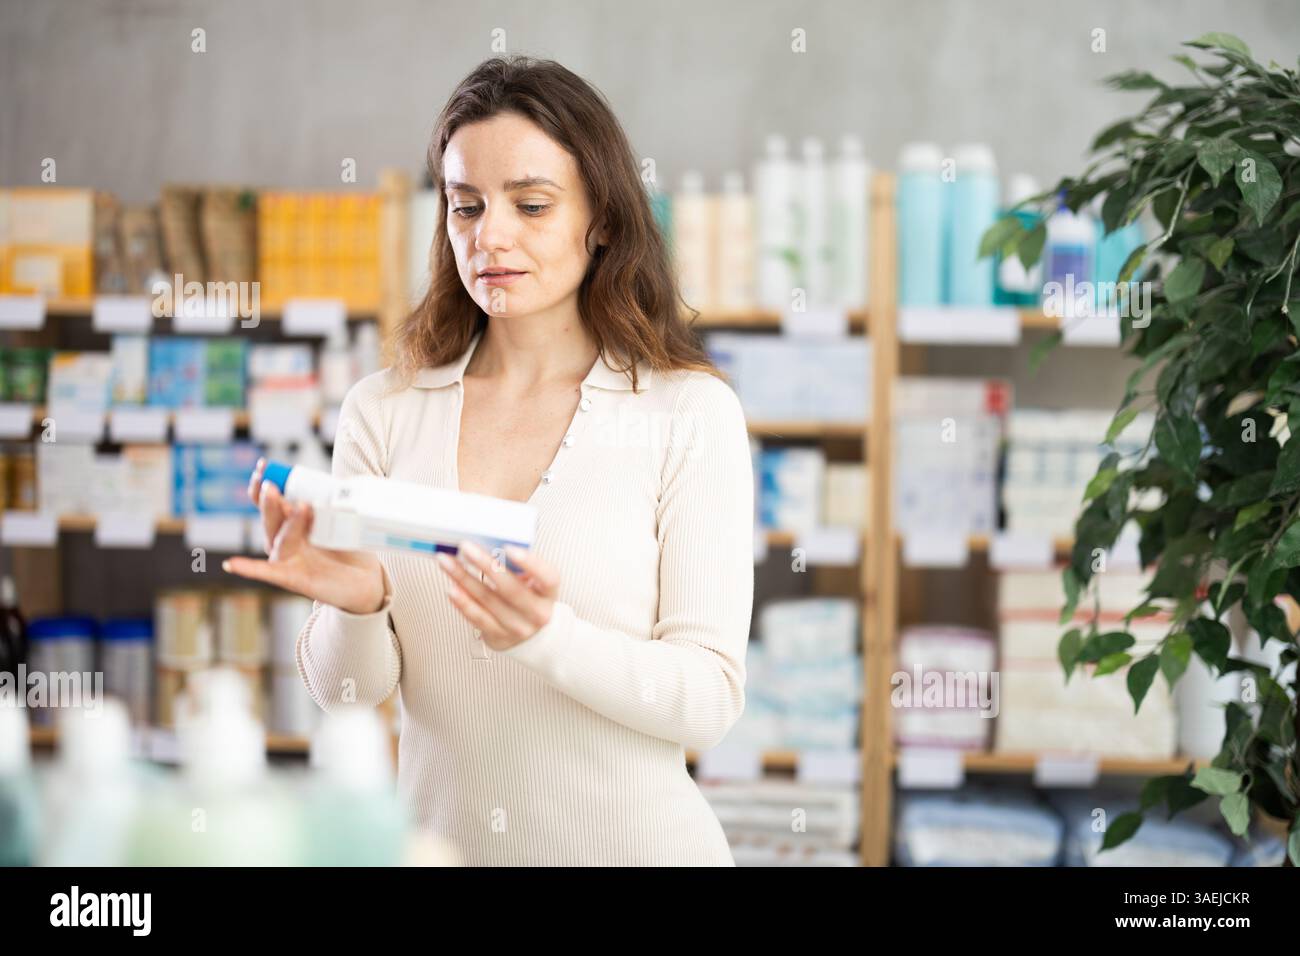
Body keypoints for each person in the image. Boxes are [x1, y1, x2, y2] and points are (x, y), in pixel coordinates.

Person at [227, 55, 754, 866]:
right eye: (464, 206)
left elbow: (709, 699)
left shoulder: (685, 413)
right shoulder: (386, 409)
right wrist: (359, 604)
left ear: (604, 219)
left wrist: (549, 638)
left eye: (532, 205)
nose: (489, 237)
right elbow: (342, 693)